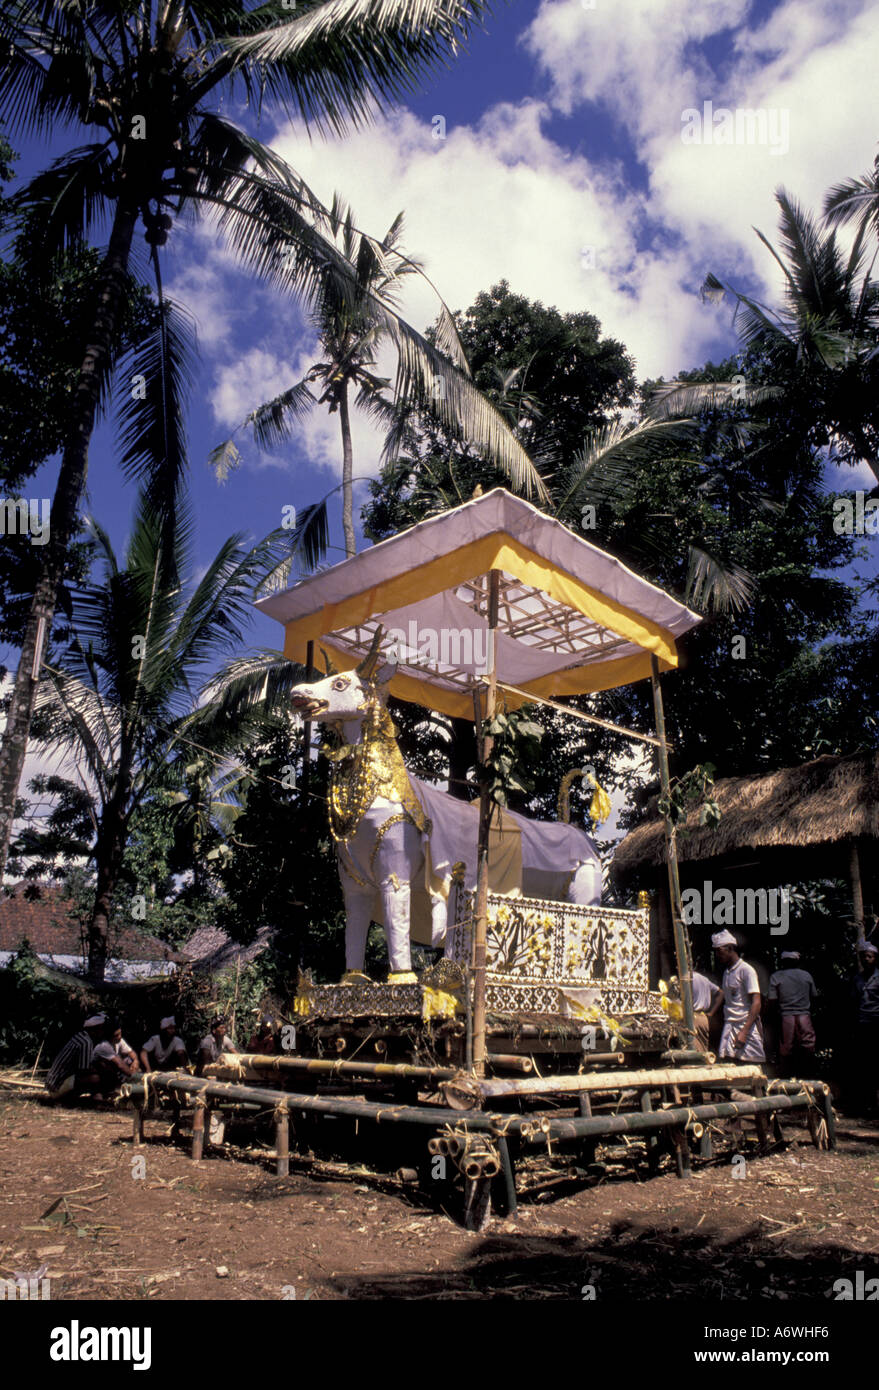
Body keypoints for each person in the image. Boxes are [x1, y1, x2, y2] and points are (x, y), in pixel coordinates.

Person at [712, 929, 765, 1063]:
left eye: (719, 951)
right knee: (730, 1065)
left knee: (752, 1065)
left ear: (730, 948)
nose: (717, 955)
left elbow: (756, 1002)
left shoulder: (747, 970)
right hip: (730, 1025)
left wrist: (745, 1031)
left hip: (745, 1026)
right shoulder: (727, 973)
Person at [768, 951, 817, 1074]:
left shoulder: (776, 976)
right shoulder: (807, 976)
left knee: (786, 1049)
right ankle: (809, 1075)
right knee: (808, 1047)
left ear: (783, 962)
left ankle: (787, 1075)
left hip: (786, 1017)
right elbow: (814, 997)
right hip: (804, 1016)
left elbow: (772, 1000)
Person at [45, 1014, 107, 1101]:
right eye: (101, 1028)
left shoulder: (80, 1037)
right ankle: (96, 1099)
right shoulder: (86, 1042)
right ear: (94, 1029)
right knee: (97, 1078)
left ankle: (95, 1097)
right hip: (57, 1087)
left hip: (53, 1085)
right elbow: (84, 1070)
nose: (103, 1031)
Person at [852, 942, 879, 1115]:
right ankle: (866, 1104)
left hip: (877, 1022)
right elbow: (853, 1001)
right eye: (864, 957)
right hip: (862, 1023)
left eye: (870, 956)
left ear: (875, 959)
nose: (867, 959)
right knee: (865, 1064)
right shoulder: (857, 979)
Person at [92, 1021, 140, 1093]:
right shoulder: (104, 1046)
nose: (120, 1036)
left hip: (114, 1073)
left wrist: (136, 1061)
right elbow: (120, 1064)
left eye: (120, 1033)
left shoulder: (118, 1040)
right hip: (102, 1076)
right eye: (116, 1035)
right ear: (109, 1036)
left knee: (130, 1061)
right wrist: (135, 1076)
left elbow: (130, 1052)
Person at [692, 969, 723, 1052]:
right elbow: (721, 993)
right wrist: (711, 1013)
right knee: (703, 1049)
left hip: (692, 1019)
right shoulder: (704, 979)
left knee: (695, 1053)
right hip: (705, 1018)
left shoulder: (686, 979)